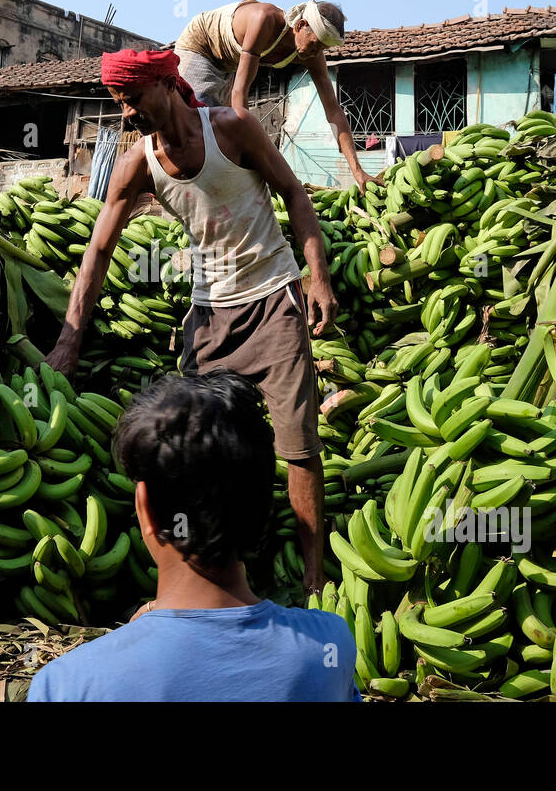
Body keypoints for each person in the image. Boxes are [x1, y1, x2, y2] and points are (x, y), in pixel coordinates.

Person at [45, 48, 337, 594]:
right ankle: (209, 578)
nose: (126, 112)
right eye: (117, 103)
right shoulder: (139, 163)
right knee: (199, 449)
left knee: (297, 446)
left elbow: (294, 192)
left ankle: (314, 579)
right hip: (208, 314)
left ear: (162, 83)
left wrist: (315, 275)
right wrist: (70, 338)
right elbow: (98, 250)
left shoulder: (233, 128)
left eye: (131, 98)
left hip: (273, 297)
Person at [27, 371, 359, 702]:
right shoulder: (329, 646)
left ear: (145, 508)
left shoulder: (66, 685)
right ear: (262, 504)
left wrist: (131, 638)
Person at [174, 0, 377, 187]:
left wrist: (357, 171)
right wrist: (251, 154)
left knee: (219, 136)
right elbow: (240, 93)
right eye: (314, 44)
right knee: (198, 127)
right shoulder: (265, 20)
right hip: (201, 47)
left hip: (229, 64)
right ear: (300, 25)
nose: (316, 53)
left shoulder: (312, 54)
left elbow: (333, 110)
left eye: (322, 49)